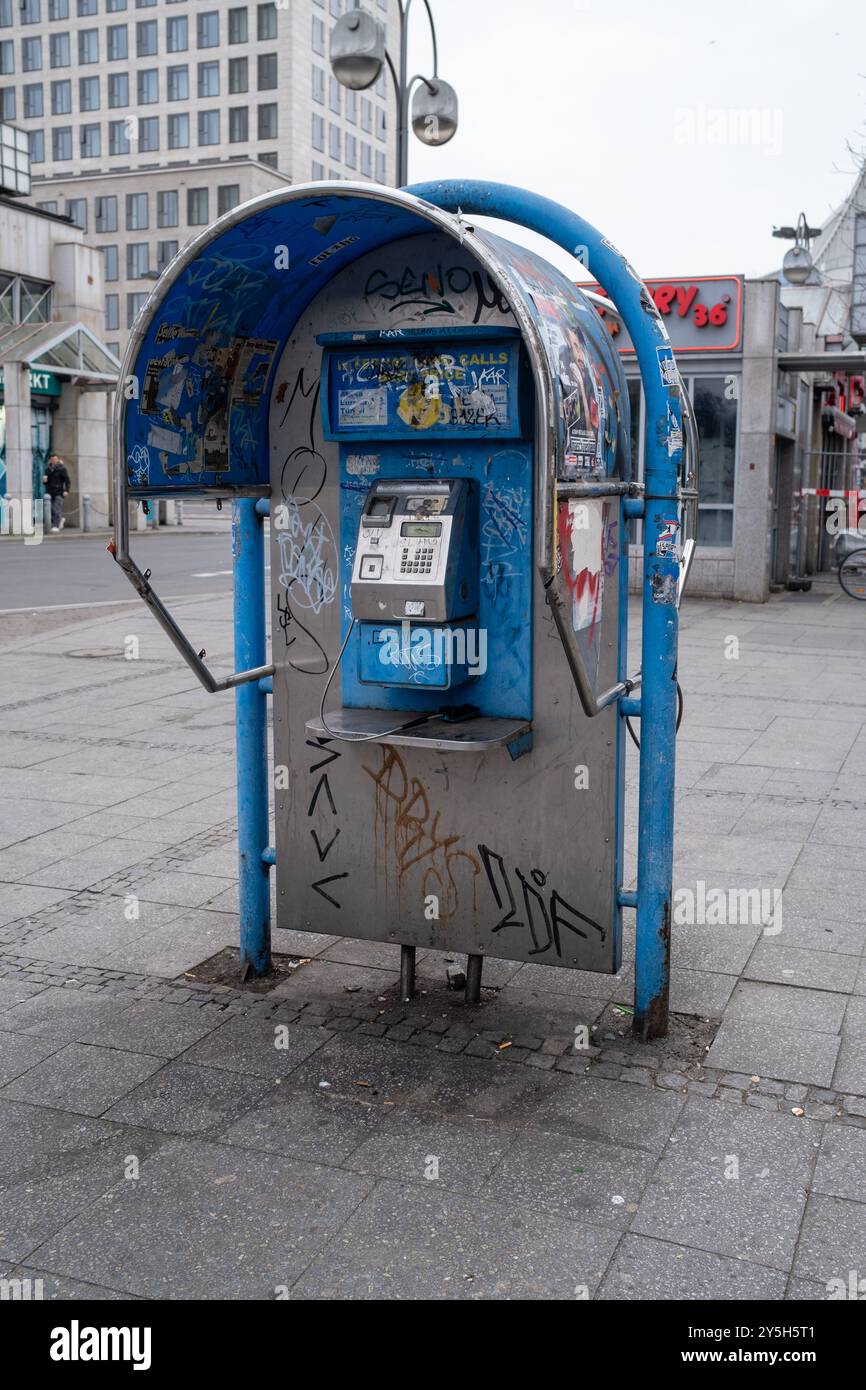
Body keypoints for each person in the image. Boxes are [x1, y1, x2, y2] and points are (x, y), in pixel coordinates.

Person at [43, 454, 71, 532]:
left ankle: (55, 525)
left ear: (57, 460)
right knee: (51, 509)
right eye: (52, 459)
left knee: (56, 509)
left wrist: (66, 490)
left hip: (59, 491)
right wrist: (44, 481)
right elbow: (46, 482)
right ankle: (60, 520)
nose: (54, 461)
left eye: (55, 459)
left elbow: (67, 480)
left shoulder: (62, 469)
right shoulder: (48, 469)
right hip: (50, 492)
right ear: (50, 460)